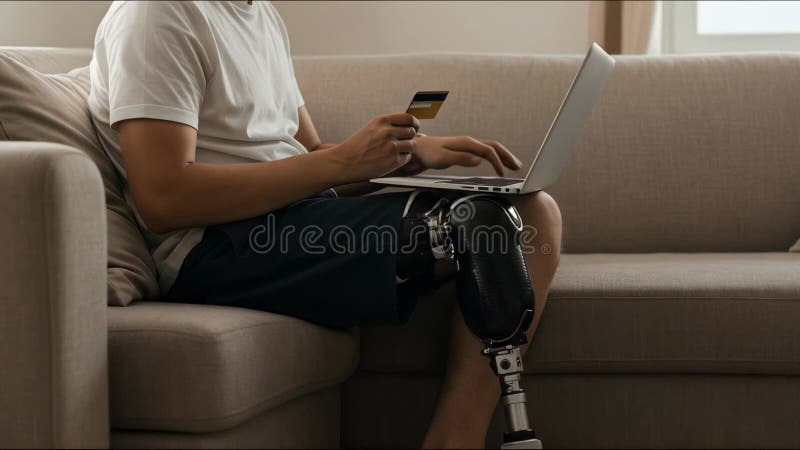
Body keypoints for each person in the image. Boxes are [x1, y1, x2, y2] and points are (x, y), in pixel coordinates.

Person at [88, 1, 562, 447]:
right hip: (216, 246)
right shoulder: (158, 15)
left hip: (295, 218)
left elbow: (310, 155)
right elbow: (164, 197)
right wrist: (341, 161)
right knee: (481, 224)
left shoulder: (260, 14)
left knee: (532, 211)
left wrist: (405, 157)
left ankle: (454, 437)